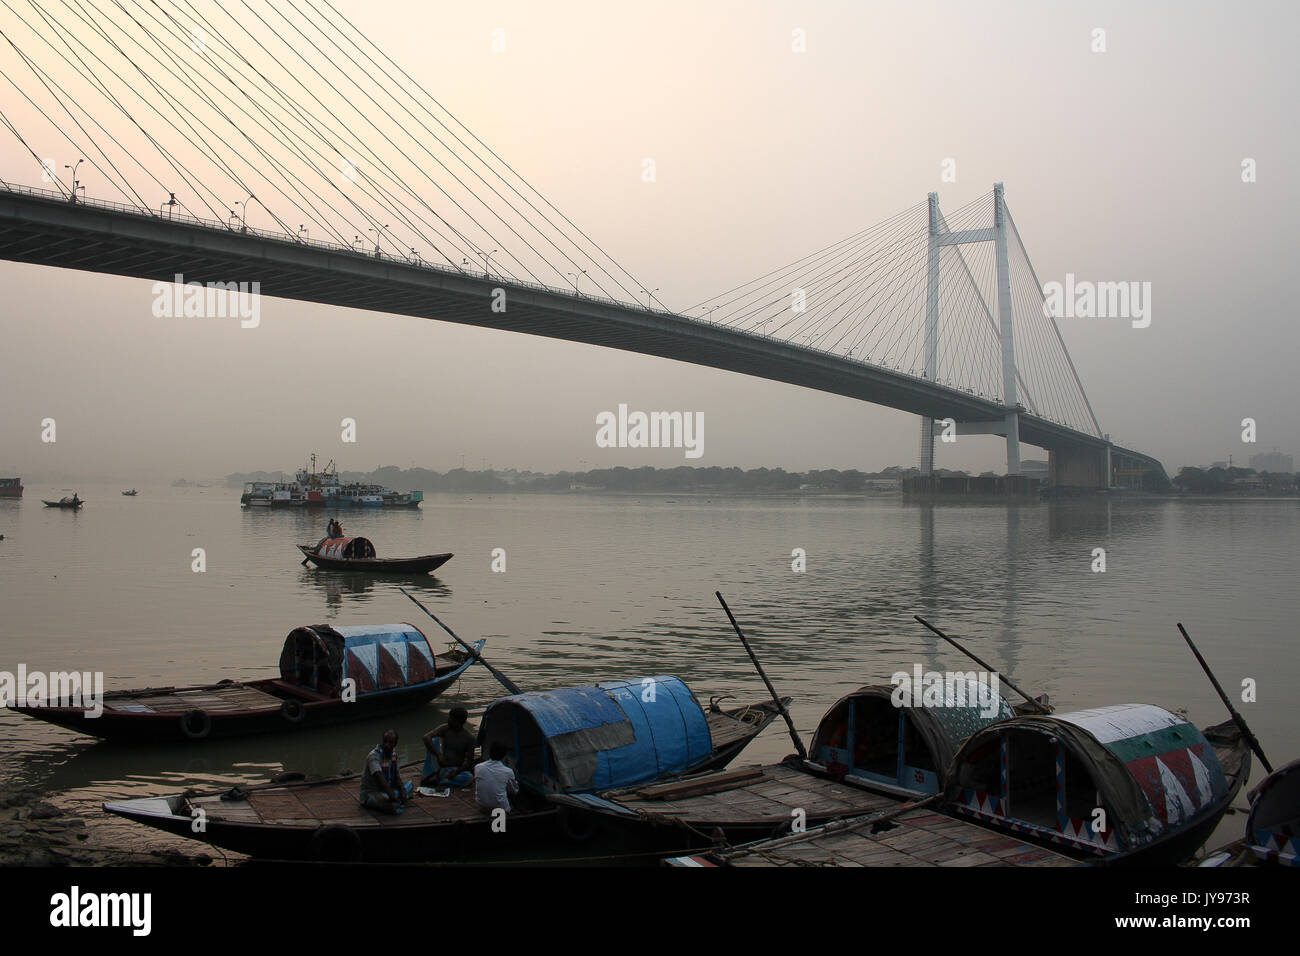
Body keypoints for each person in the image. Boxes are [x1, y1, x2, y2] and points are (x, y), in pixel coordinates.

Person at [422, 707, 475, 788]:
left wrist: (457, 772)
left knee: (469, 777)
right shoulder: (445, 728)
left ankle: (442, 781)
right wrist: (439, 755)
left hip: (454, 769)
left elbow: (469, 761)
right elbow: (426, 737)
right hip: (440, 767)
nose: (448, 720)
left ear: (459, 721)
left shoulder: (469, 738)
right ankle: (433, 775)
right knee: (433, 740)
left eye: (451, 718)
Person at [360, 730, 411, 814]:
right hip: (371, 793)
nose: (387, 745)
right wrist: (392, 796)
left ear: (395, 743)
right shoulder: (374, 756)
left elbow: (397, 777)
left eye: (390, 742)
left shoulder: (393, 754)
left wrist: (402, 790)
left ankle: (396, 799)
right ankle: (395, 801)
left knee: (409, 785)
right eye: (385, 742)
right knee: (392, 807)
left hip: (388, 789)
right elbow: (380, 779)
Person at [474, 741, 519, 814]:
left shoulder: (478, 767)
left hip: (482, 807)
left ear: (490, 752)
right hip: (501, 809)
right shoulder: (508, 771)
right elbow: (514, 791)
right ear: (504, 755)